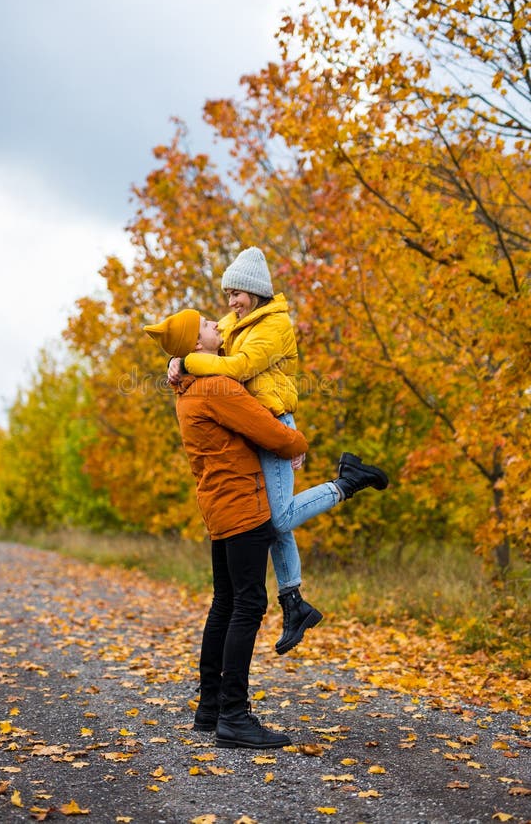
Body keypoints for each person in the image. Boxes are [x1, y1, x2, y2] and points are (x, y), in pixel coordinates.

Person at [145, 308, 388, 748]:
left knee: (225, 604)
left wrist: (177, 361)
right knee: (248, 605)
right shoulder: (215, 386)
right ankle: (234, 716)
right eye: (205, 326)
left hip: (219, 508)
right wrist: (299, 443)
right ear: (195, 345)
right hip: (242, 505)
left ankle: (211, 708)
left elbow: (221, 341)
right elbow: (269, 431)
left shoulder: (187, 386)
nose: (216, 326)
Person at [168, 247, 389, 655]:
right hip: (256, 426)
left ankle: (348, 481)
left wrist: (189, 360)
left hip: (275, 423)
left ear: (256, 291)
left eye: (238, 292)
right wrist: (179, 359)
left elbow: (237, 368)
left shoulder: (275, 326)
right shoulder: (237, 321)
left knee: (277, 516)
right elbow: (211, 347)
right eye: (228, 293)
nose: (230, 302)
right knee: (272, 518)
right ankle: (293, 601)